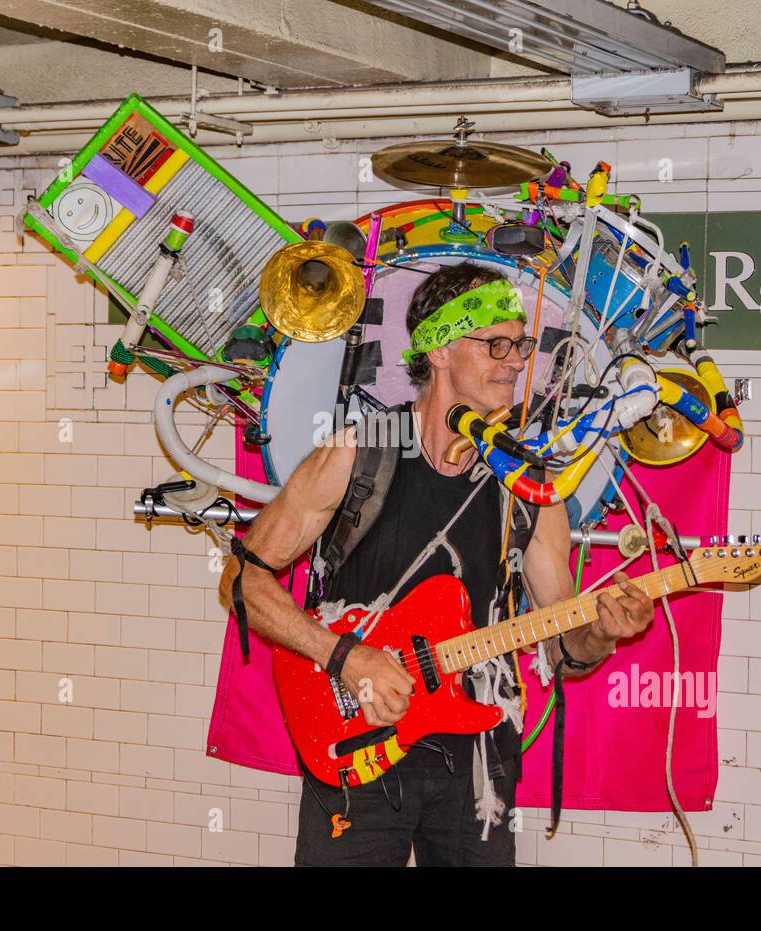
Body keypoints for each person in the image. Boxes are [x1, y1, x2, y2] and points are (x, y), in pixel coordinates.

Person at [219, 262, 655, 866]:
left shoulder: (529, 485)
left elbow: (561, 647)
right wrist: (344, 658)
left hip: (477, 762)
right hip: (358, 747)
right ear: (442, 349)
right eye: (497, 343)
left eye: (522, 345)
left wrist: (603, 631)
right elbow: (243, 579)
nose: (515, 361)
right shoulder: (360, 452)